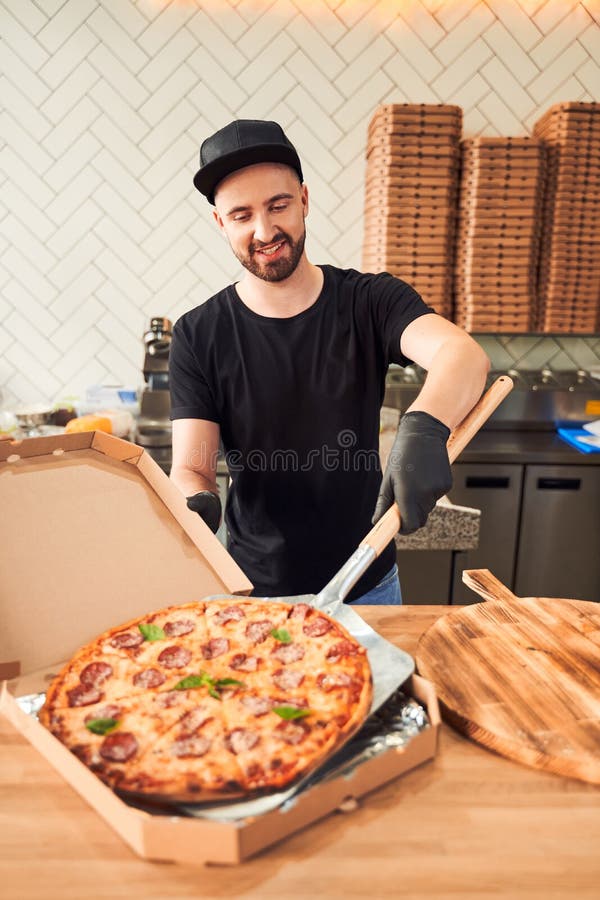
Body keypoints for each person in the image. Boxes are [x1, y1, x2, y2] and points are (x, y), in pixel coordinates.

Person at [169, 119, 489, 604]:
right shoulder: (197, 334)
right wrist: (195, 501)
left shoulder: (371, 301)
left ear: (304, 199)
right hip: (256, 593)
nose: (264, 230)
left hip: (369, 584)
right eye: (241, 215)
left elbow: (461, 354)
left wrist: (426, 427)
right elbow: (194, 465)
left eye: (277, 205)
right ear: (220, 222)